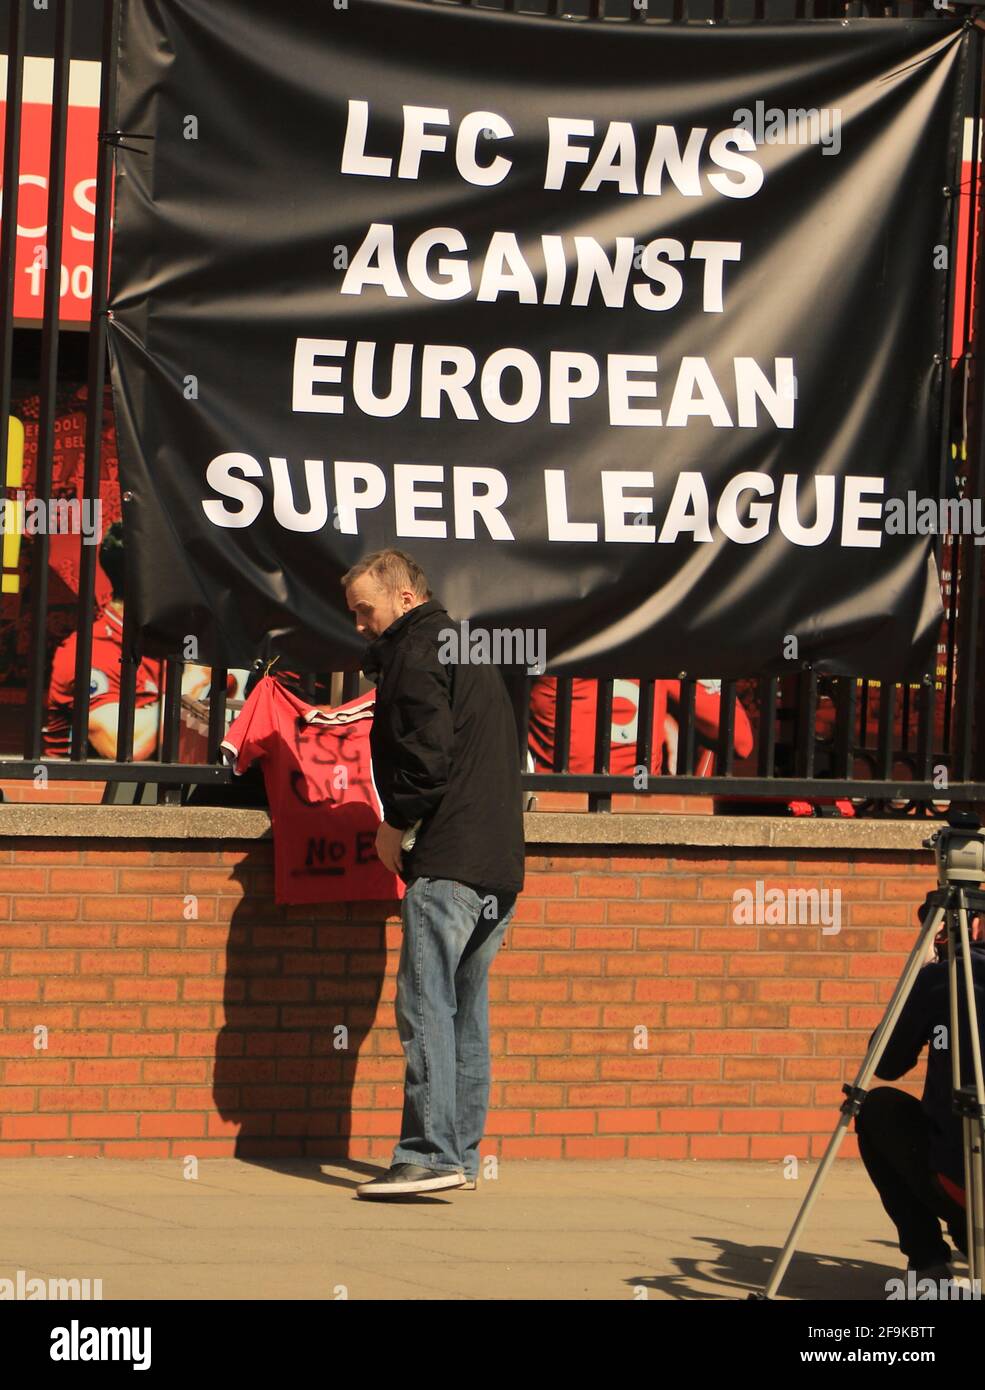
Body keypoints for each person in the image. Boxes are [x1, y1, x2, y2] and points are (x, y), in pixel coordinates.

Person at [341, 548, 525, 1197]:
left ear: (403, 597)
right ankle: (459, 1155)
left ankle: (427, 1154)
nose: (360, 624)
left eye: (365, 609)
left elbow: (426, 754)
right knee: (464, 1013)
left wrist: (394, 824)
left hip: (448, 858)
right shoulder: (467, 648)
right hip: (498, 861)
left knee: (426, 1008)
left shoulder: (418, 651)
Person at [855, 898, 985, 1283]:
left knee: (877, 1109)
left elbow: (886, 1064)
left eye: (941, 929)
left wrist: (921, 973)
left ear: (972, 926)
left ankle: (928, 1263)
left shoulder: (944, 979)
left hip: (966, 1188)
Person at [43, 522, 211, 759]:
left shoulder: (167, 643)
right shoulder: (89, 650)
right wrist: (191, 682)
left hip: (151, 791)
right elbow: (126, 745)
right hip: (87, 794)